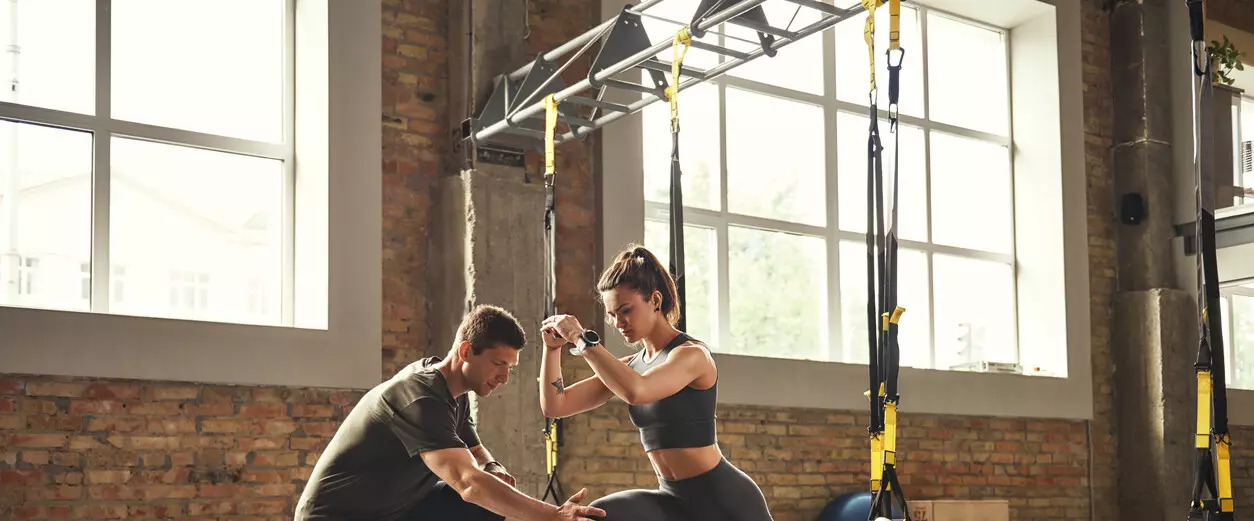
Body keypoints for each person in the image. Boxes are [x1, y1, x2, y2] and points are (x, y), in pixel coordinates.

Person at [294, 304, 606, 521]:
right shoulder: (420, 396)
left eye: (509, 368)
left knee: (489, 497)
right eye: (498, 364)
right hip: (339, 517)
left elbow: (472, 446)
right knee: (478, 491)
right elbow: (467, 482)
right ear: (465, 351)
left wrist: (492, 465)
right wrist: (554, 515)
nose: (504, 378)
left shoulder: (455, 392)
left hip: (392, 512)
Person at [539, 245, 774, 521]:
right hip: (672, 500)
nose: (618, 323)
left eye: (625, 310)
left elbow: (638, 391)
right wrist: (552, 349)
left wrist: (581, 339)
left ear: (655, 300)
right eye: (612, 315)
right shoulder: (630, 366)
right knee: (595, 516)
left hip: (723, 501)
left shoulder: (691, 355)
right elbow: (556, 405)